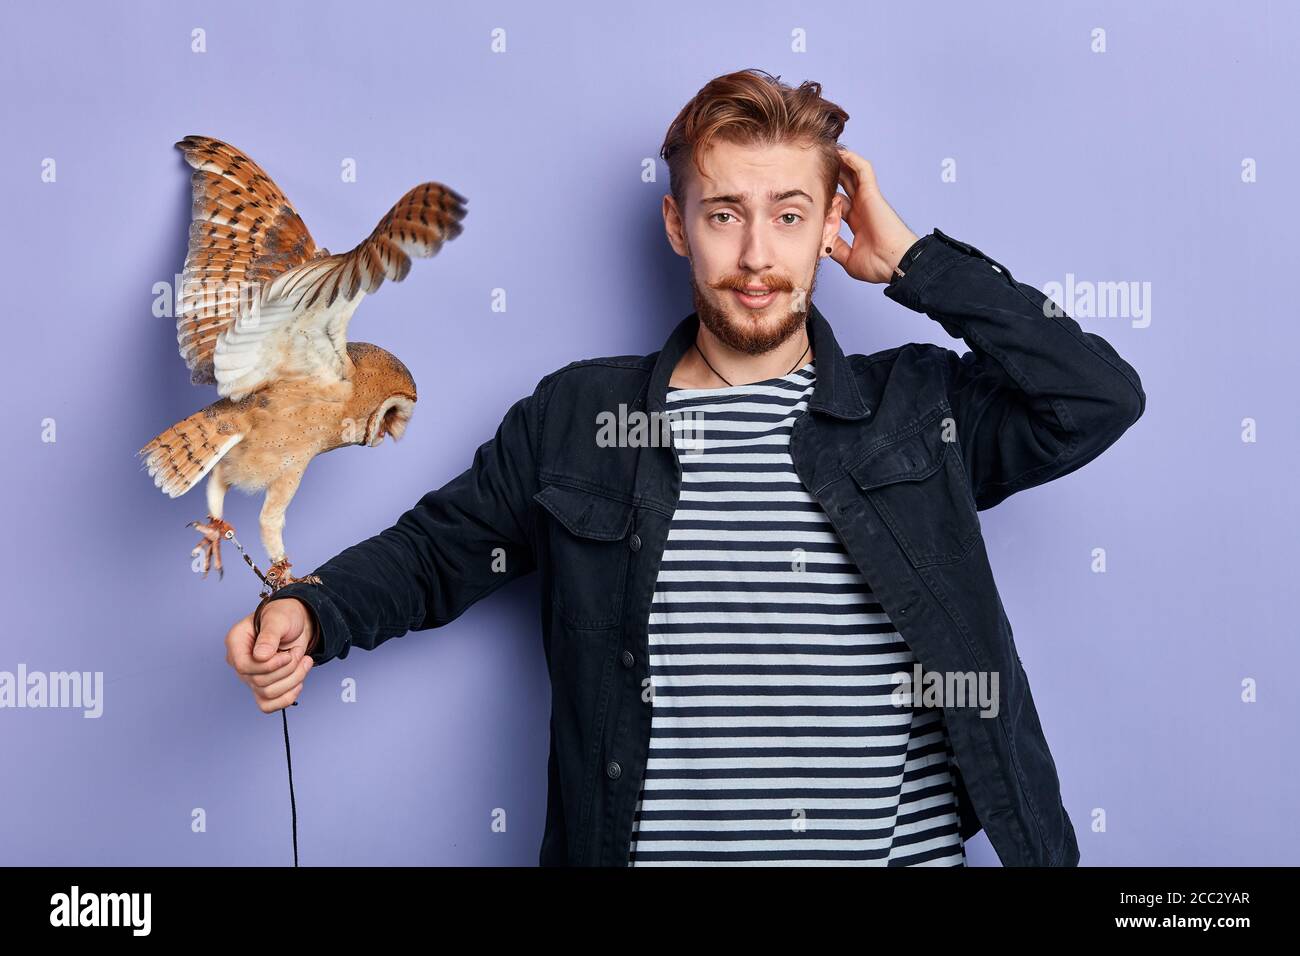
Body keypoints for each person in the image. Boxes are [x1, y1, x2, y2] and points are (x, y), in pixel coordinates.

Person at [224, 68, 1145, 866]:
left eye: (790, 216)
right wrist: (311, 609)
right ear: (677, 224)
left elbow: (1096, 396)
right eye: (724, 215)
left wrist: (910, 261)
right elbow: (437, 553)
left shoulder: (915, 407)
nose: (756, 256)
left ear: (834, 221)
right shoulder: (581, 418)